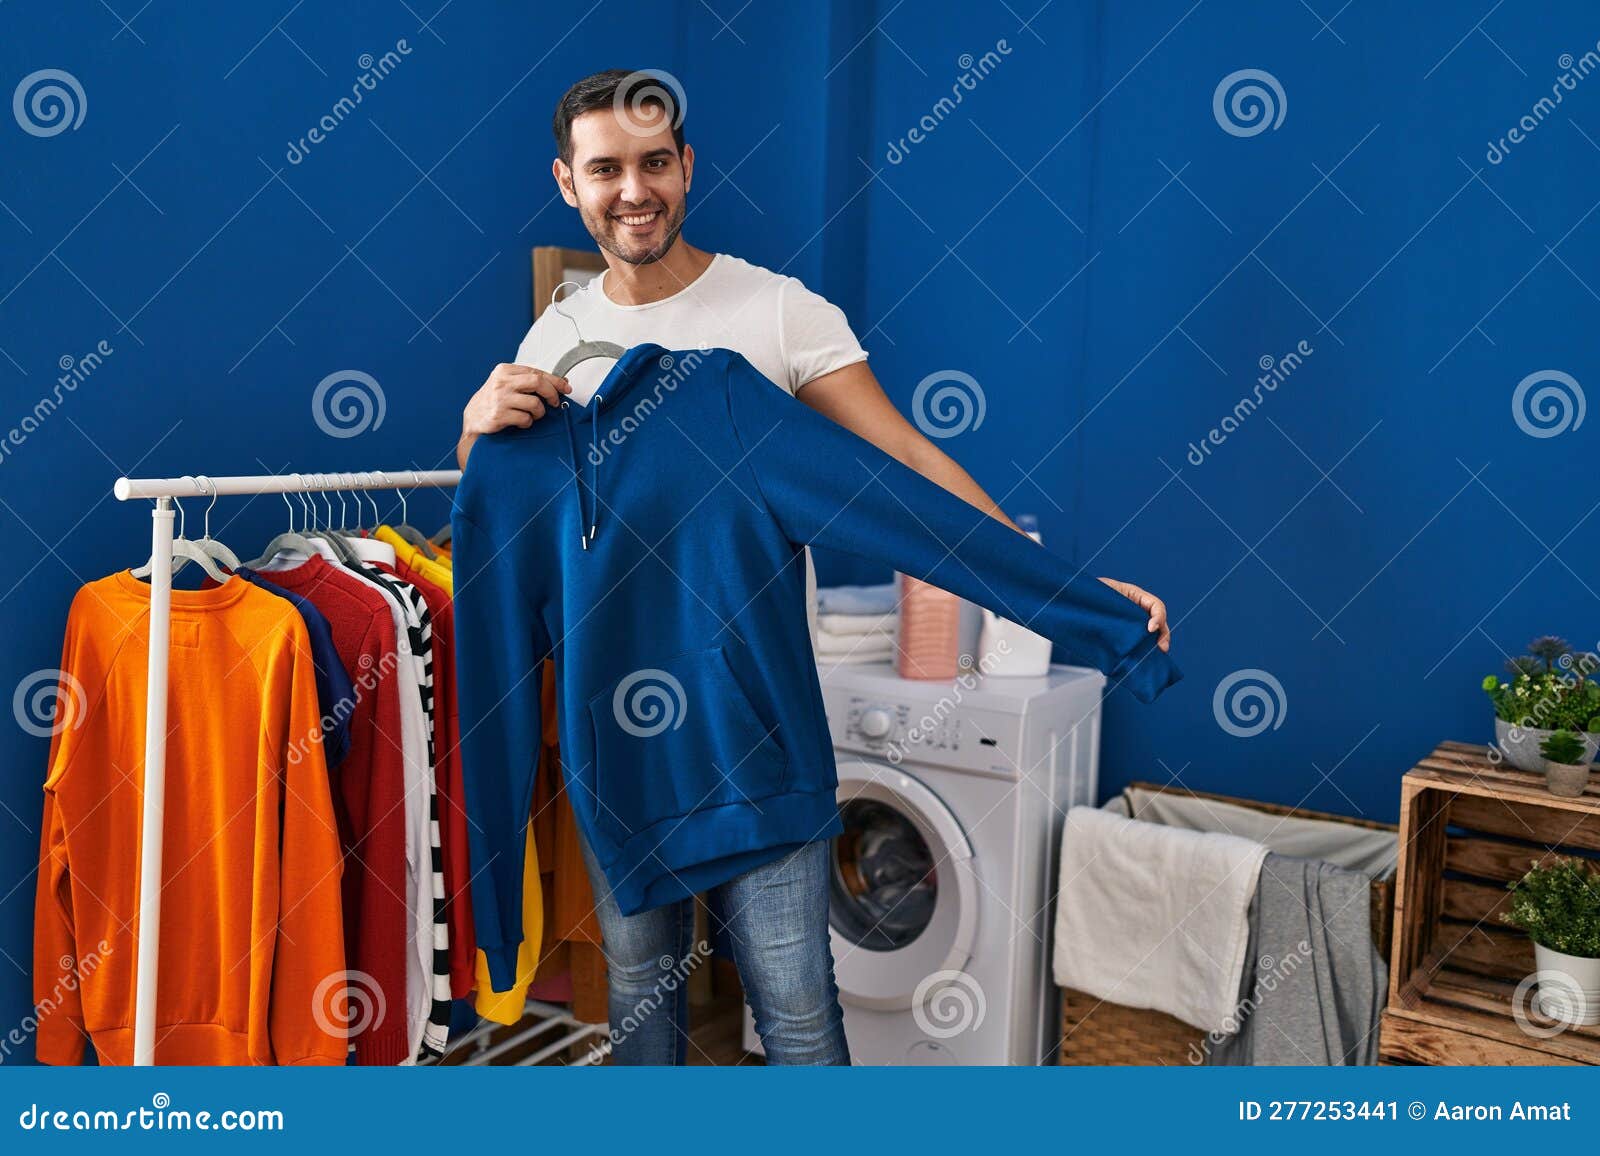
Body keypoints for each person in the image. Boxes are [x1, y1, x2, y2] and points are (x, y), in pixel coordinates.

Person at [456, 68, 1173, 1065]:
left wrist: (1073, 601)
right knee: (637, 1019)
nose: (634, 189)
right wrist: (471, 433)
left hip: (761, 744)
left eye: (654, 162)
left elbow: (906, 473)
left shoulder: (776, 316)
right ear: (568, 183)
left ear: (686, 167)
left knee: (797, 1021)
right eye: (607, 168)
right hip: (617, 759)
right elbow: (505, 530)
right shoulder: (555, 339)